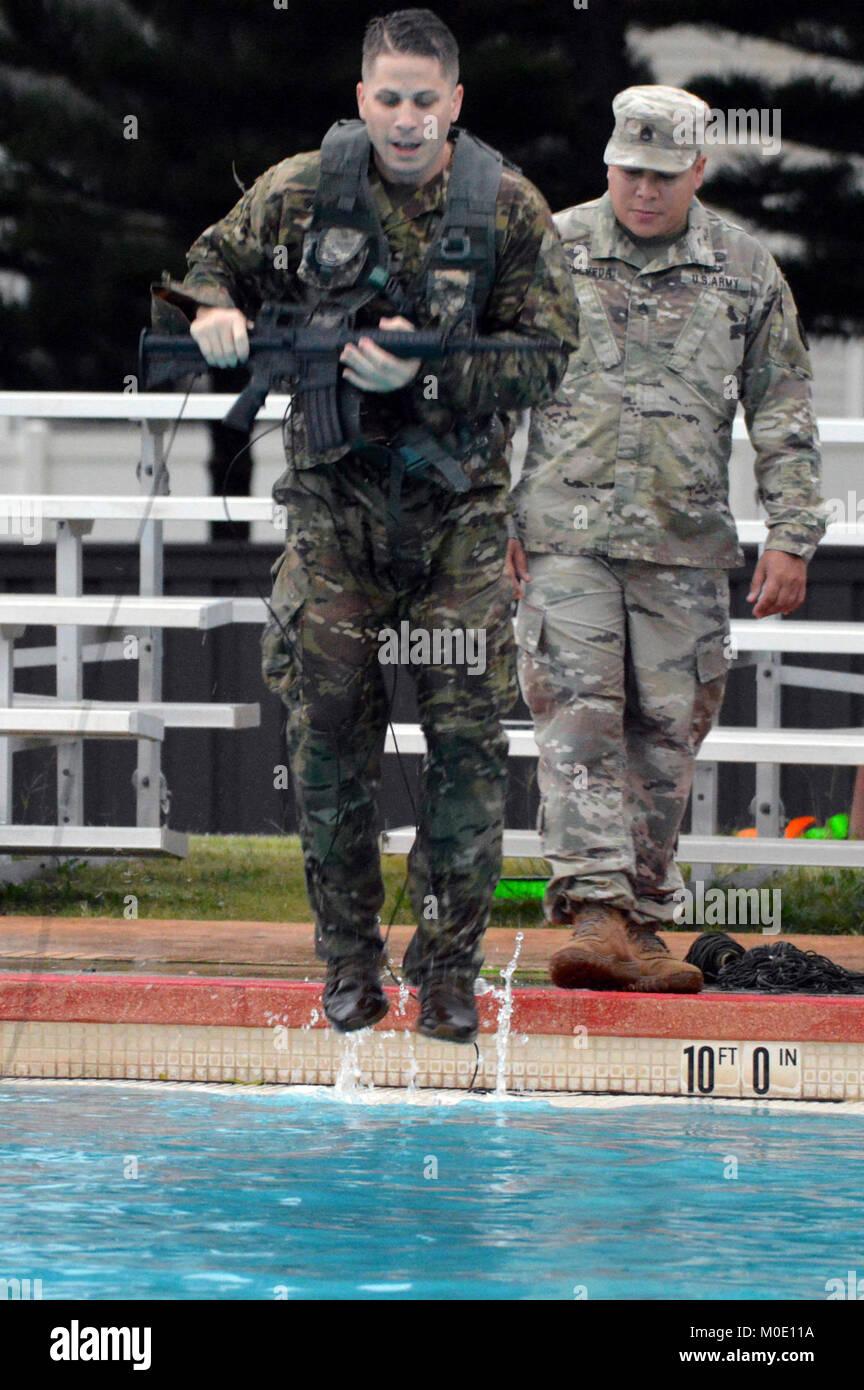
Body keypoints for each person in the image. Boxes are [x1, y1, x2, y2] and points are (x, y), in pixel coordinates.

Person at [152, 9, 578, 1040]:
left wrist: (429, 361)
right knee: (329, 742)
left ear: (456, 103)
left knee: (468, 747)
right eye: (387, 97)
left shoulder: (506, 205)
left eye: (424, 100)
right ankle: (348, 963)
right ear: (361, 99)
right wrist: (211, 309)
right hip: (336, 519)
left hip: (457, 527)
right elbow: (200, 269)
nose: (404, 119)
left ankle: (446, 969)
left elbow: (549, 354)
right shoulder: (302, 188)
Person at [507, 85, 825, 994]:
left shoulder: (745, 271)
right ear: (609, 163)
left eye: (662, 175)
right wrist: (488, 515)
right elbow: (488, 389)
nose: (643, 190)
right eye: (628, 170)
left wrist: (792, 535)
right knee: (580, 714)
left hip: (685, 546)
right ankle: (597, 909)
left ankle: (638, 924)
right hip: (564, 533)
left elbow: (784, 413)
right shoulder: (550, 252)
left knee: (665, 733)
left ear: (698, 171)